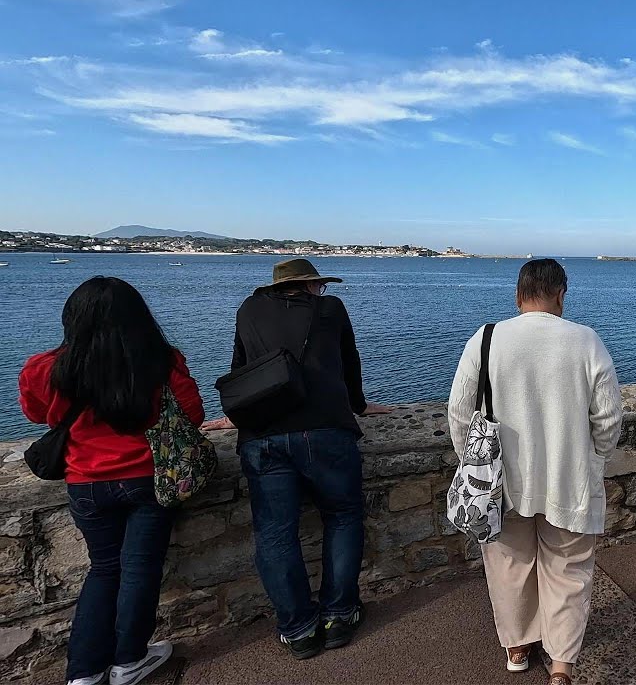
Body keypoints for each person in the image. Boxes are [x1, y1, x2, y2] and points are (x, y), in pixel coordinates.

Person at [19, 277, 204, 685]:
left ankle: (84, 672)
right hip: (147, 479)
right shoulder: (162, 361)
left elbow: (36, 414)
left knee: (104, 569)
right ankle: (129, 660)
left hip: (86, 481)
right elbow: (192, 414)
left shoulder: (43, 368)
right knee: (140, 570)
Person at [203, 258, 391, 660]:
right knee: (342, 517)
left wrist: (234, 417)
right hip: (326, 431)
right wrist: (359, 405)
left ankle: (299, 629)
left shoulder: (249, 309)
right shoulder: (330, 309)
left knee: (275, 534)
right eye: (317, 286)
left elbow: (240, 369)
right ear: (309, 285)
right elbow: (349, 362)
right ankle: (339, 615)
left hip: (264, 435)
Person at [447, 259, 622, 685]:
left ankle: (518, 648)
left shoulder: (486, 338)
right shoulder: (586, 341)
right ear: (561, 294)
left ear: (518, 296)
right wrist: (594, 462)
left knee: (509, 566)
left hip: (501, 483)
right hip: (569, 482)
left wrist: (473, 464)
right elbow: (608, 418)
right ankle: (561, 666)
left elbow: (459, 412)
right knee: (569, 570)